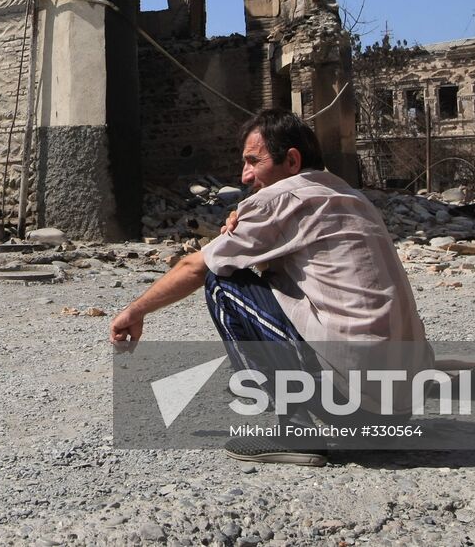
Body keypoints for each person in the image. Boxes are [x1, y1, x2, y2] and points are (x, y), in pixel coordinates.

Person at [109, 109, 429, 466]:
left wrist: (135, 310)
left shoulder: (282, 197)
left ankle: (295, 430)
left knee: (223, 282)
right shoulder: (350, 196)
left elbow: (195, 265)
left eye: (252, 161)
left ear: (291, 160)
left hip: (352, 406)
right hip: (399, 409)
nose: (245, 175)